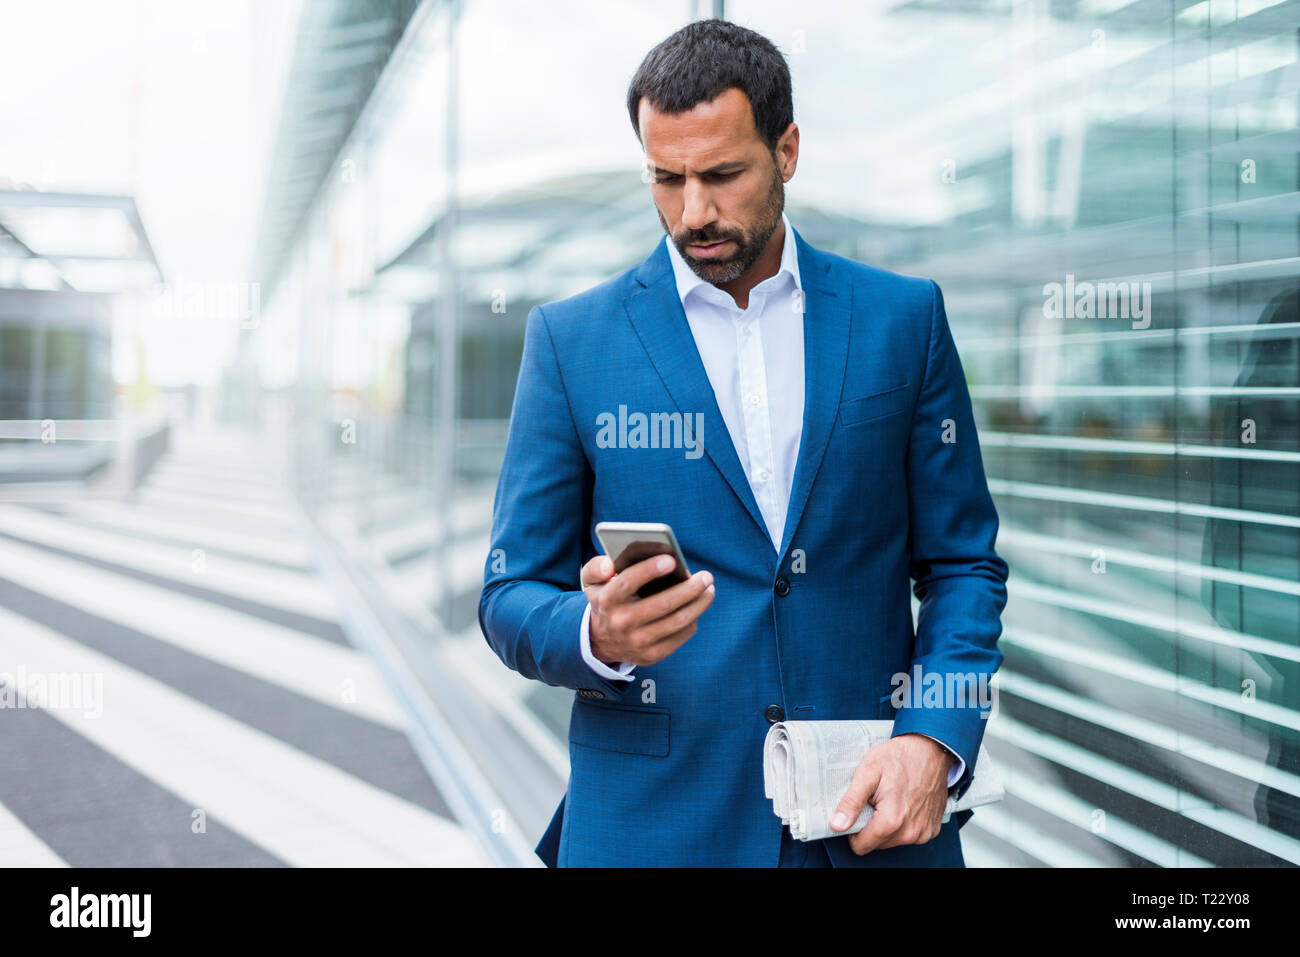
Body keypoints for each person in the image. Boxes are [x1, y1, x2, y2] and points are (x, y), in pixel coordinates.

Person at [478, 18, 1008, 867]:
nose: (695, 212)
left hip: (867, 825)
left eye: (723, 174)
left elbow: (962, 566)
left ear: (787, 150)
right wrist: (597, 635)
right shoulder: (570, 343)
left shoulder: (903, 321)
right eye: (667, 178)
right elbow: (507, 595)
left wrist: (935, 740)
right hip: (656, 829)